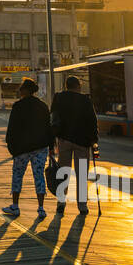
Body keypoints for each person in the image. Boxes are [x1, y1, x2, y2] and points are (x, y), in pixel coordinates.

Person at [2, 79, 54, 219]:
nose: (19, 91)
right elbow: (49, 128)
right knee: (39, 177)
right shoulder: (43, 106)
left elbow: (12, 128)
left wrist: (11, 147)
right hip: (40, 147)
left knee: (17, 176)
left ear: (25, 90)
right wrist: (51, 146)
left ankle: (15, 206)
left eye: (21, 88)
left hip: (21, 149)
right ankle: (41, 208)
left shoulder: (18, 106)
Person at [49, 76, 98, 216]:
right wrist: (94, 140)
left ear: (66, 86)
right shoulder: (85, 100)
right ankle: (82, 205)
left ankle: (61, 202)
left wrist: (52, 139)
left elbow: (53, 118)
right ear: (78, 86)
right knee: (82, 174)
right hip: (82, 142)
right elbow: (92, 120)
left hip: (64, 140)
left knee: (63, 172)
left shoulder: (58, 98)